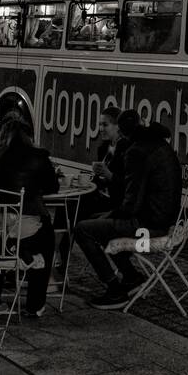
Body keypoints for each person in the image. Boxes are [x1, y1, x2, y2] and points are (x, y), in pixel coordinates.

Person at [74, 111, 183, 309]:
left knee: (82, 229)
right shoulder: (161, 144)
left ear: (123, 132)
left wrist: (110, 214)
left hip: (148, 229)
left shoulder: (136, 152)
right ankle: (131, 277)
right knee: (102, 223)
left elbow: (131, 204)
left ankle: (115, 290)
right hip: (167, 222)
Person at [0, 114, 59, 320]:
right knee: (47, 234)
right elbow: (52, 187)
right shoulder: (38, 157)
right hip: (20, 228)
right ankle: (35, 304)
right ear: (29, 136)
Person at [55, 107, 128, 273]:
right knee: (65, 206)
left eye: (105, 124)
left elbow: (128, 185)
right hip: (99, 197)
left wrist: (108, 175)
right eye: (100, 124)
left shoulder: (127, 150)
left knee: (71, 210)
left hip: (115, 203)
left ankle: (60, 259)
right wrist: (92, 179)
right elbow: (99, 181)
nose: (101, 129)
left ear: (118, 126)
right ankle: (60, 257)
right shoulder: (103, 148)